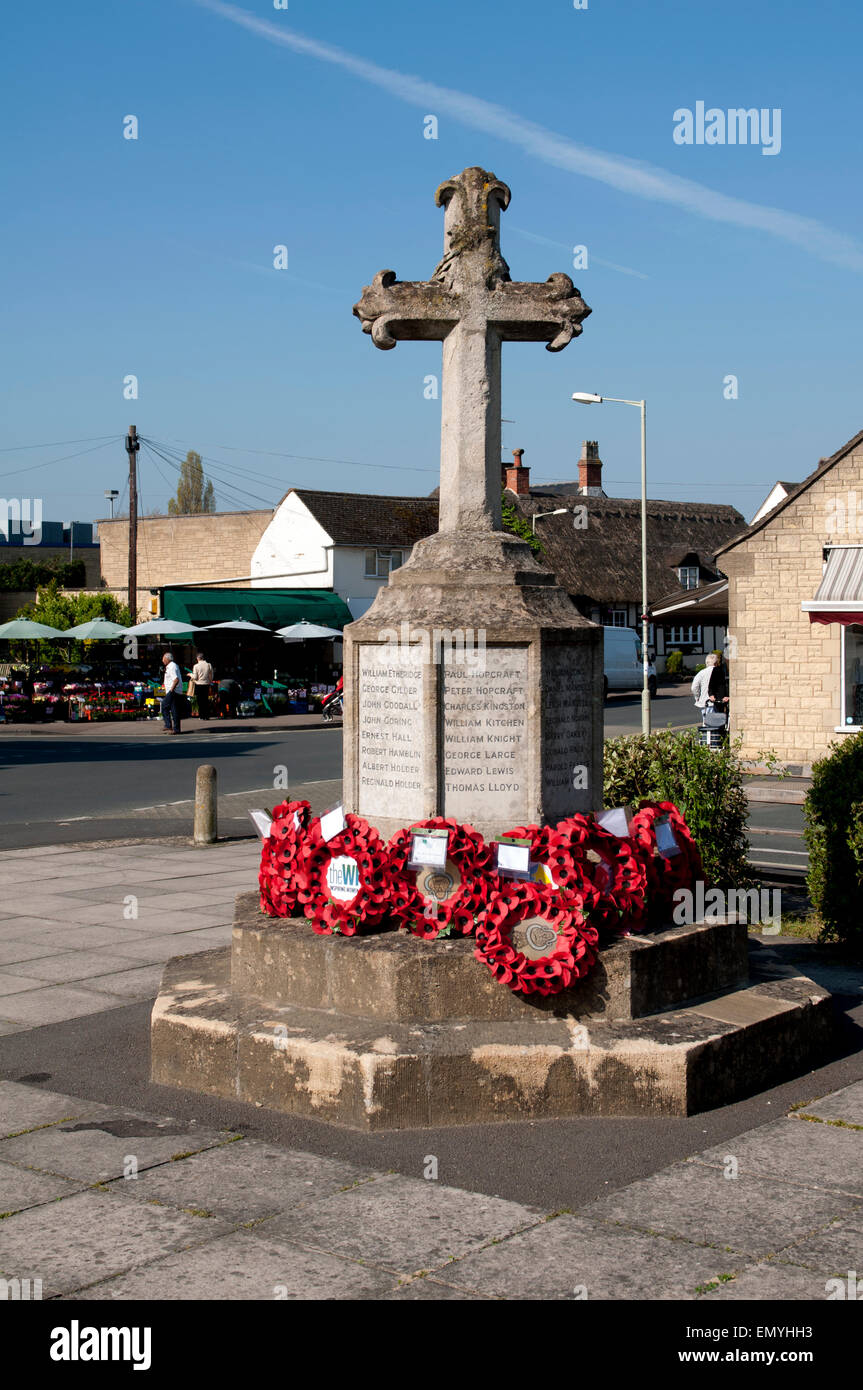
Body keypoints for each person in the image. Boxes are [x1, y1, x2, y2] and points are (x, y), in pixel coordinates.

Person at [161, 651, 183, 734]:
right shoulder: (172, 666)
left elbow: (176, 679)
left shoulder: (171, 666)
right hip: (174, 691)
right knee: (174, 710)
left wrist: (171, 690)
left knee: (164, 706)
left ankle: (168, 725)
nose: (162, 660)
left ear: (167, 659)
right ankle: (175, 729)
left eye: (163, 658)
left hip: (173, 691)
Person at [191, 651, 214, 720]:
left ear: (198, 658)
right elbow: (211, 675)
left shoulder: (196, 666)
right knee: (206, 700)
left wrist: (190, 675)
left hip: (198, 684)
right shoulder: (209, 665)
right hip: (206, 684)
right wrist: (209, 681)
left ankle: (201, 715)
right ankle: (207, 716)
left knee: (200, 701)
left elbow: (195, 677)